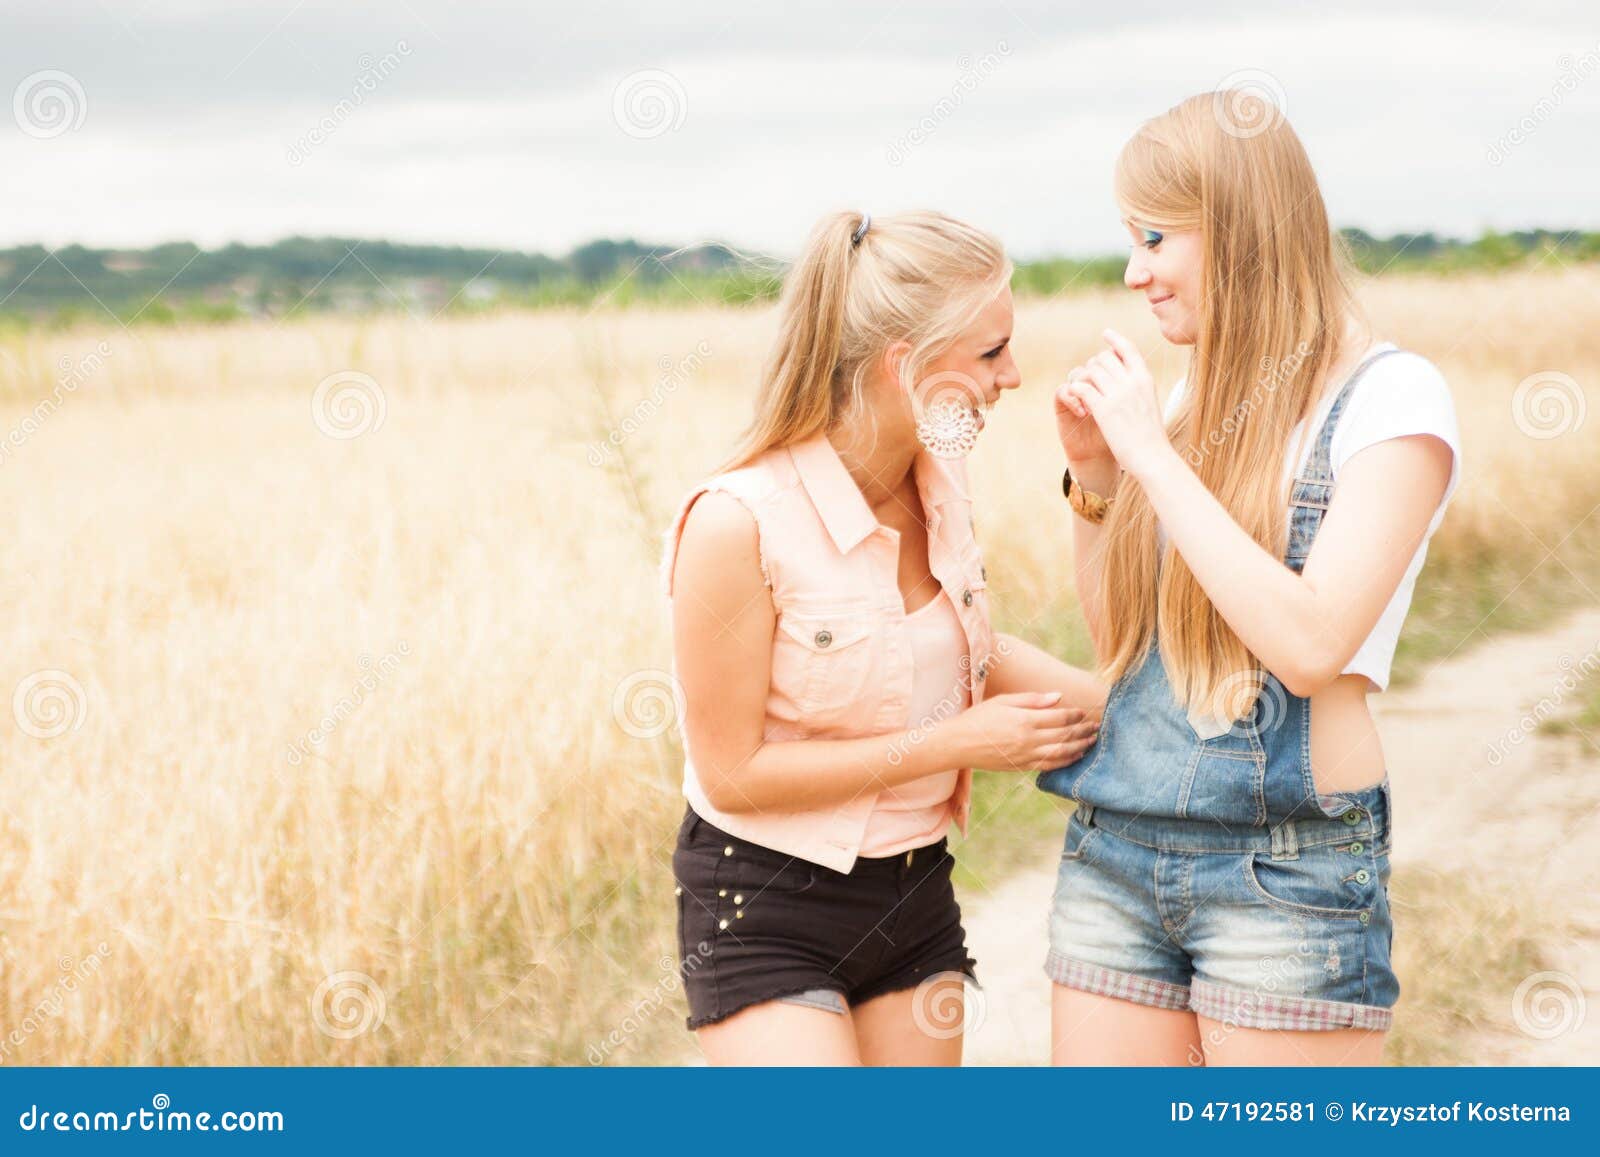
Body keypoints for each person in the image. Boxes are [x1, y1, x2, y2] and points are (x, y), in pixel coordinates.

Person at [1040, 92, 1461, 1065]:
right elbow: (1124, 651)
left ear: (1237, 228)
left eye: (1154, 237)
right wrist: (1096, 483)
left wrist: (1151, 458)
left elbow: (1310, 646)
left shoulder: (1393, 399)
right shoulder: (1193, 397)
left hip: (1287, 869)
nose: (1134, 272)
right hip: (1119, 851)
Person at [662, 209, 1106, 1065]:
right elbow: (732, 774)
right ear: (904, 367)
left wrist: (1135, 710)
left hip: (912, 895)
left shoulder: (943, 479)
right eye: (990, 352)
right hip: (763, 903)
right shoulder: (736, 522)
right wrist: (957, 742)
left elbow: (958, 646)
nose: (1013, 376)